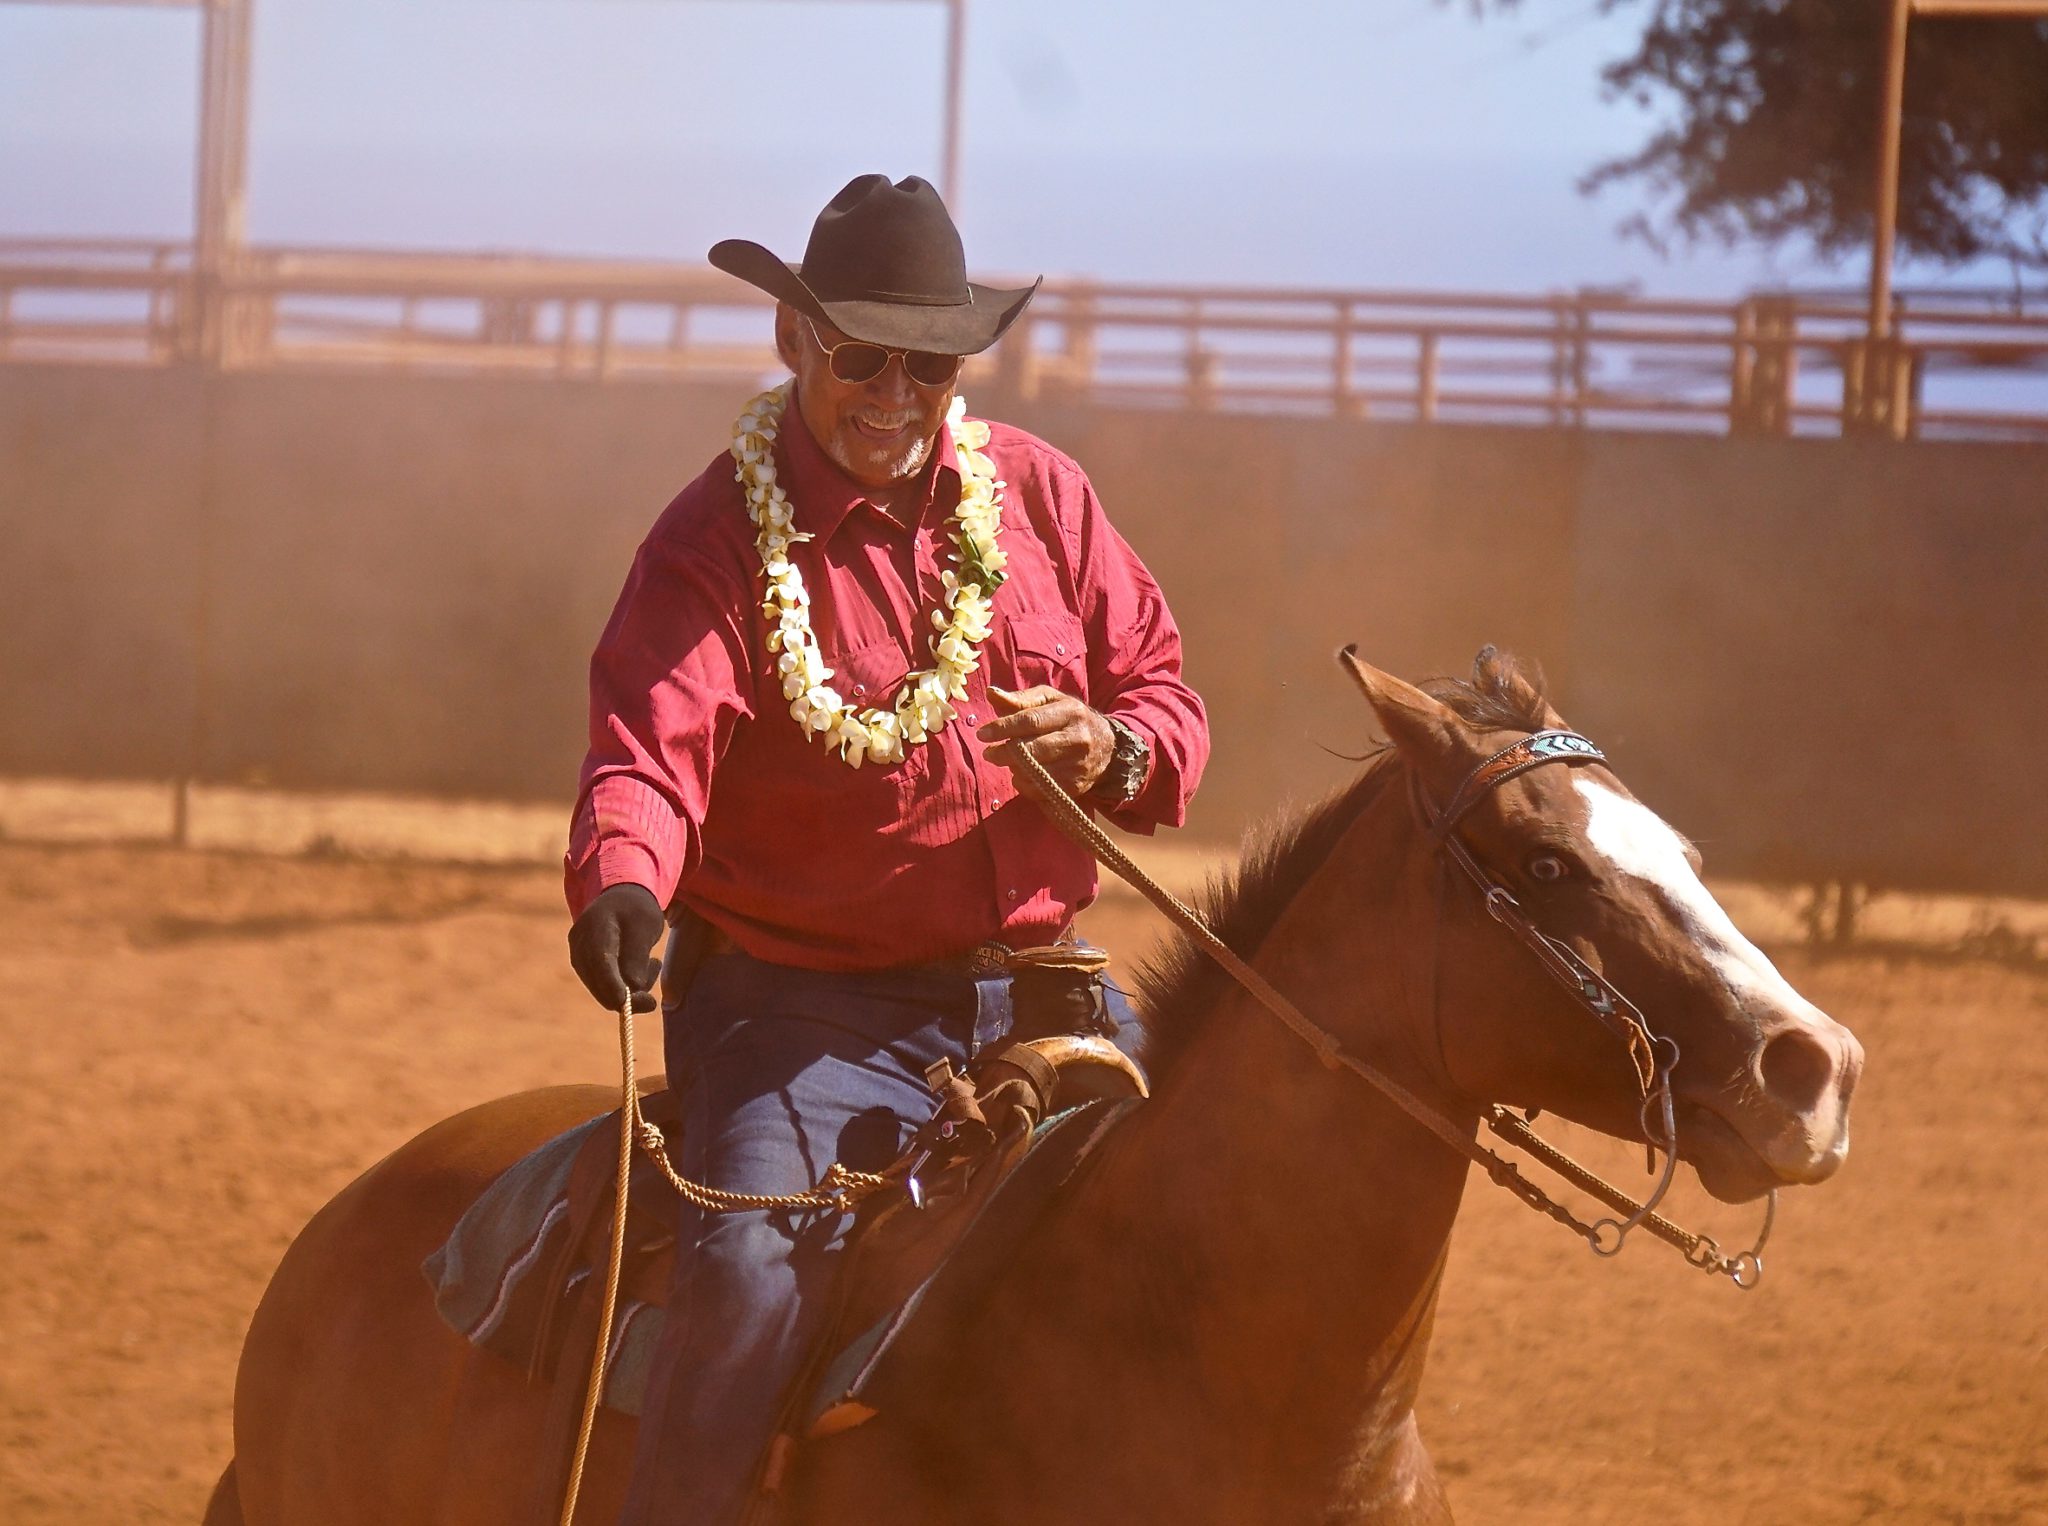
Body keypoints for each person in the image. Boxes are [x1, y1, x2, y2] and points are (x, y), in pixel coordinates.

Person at [562, 173, 1209, 1525]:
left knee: (1242, 1199)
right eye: (865, 357)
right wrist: (624, 878)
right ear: (795, 339)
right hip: (804, 1011)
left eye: (932, 363)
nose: (897, 394)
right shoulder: (715, 541)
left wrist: (1112, 744)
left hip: (1048, 991)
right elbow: (648, 748)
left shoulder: (1040, 494)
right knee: (747, 1277)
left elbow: (1165, 700)